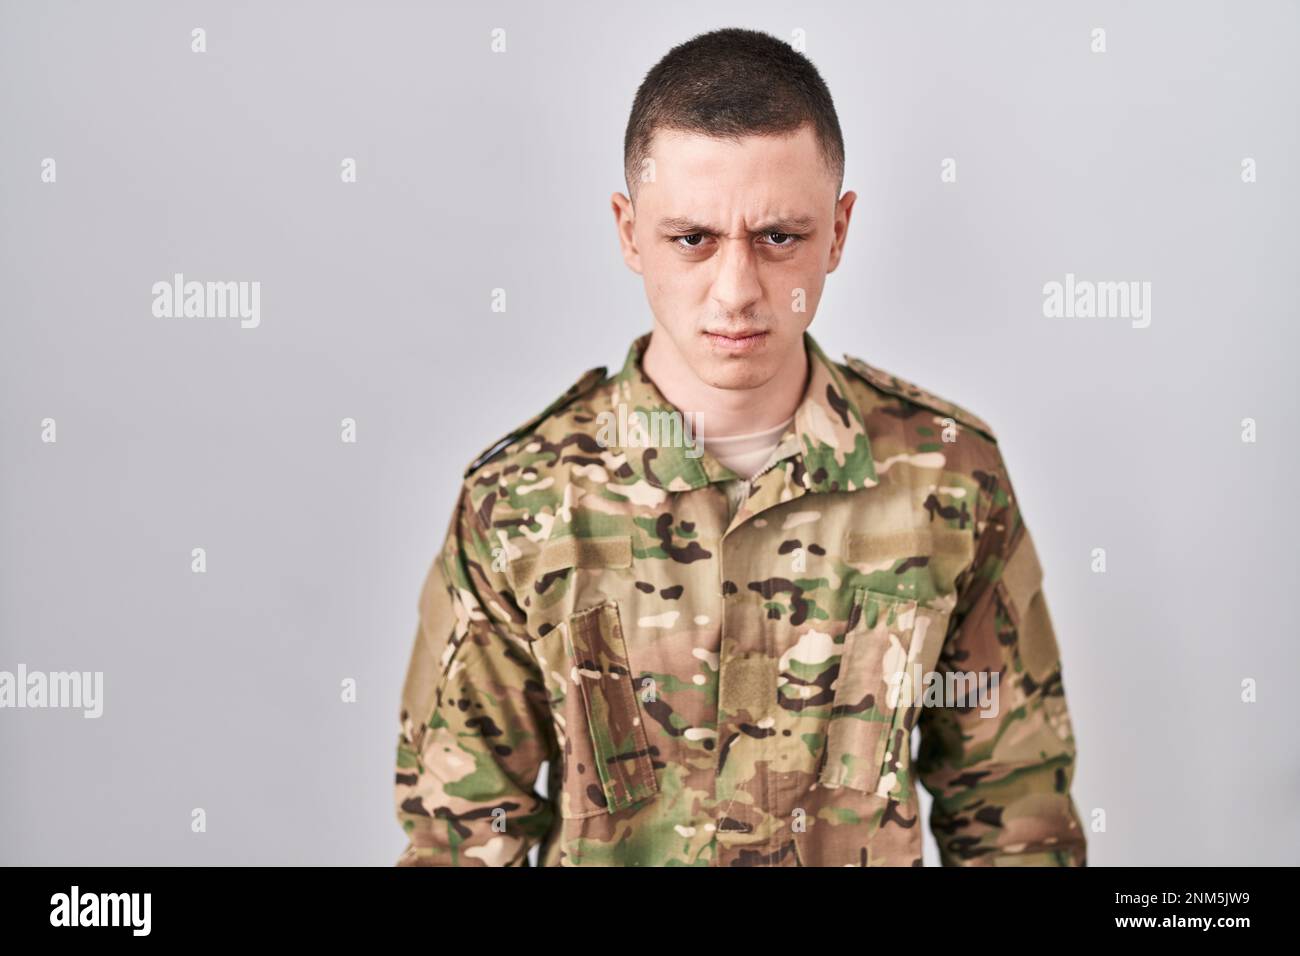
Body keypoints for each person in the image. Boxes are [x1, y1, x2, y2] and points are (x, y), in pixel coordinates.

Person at [393, 27, 1087, 867]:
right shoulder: (520, 504)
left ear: (838, 231)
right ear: (628, 230)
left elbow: (1016, 818)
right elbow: (458, 832)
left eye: (778, 238)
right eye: (692, 239)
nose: (736, 290)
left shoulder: (950, 479)